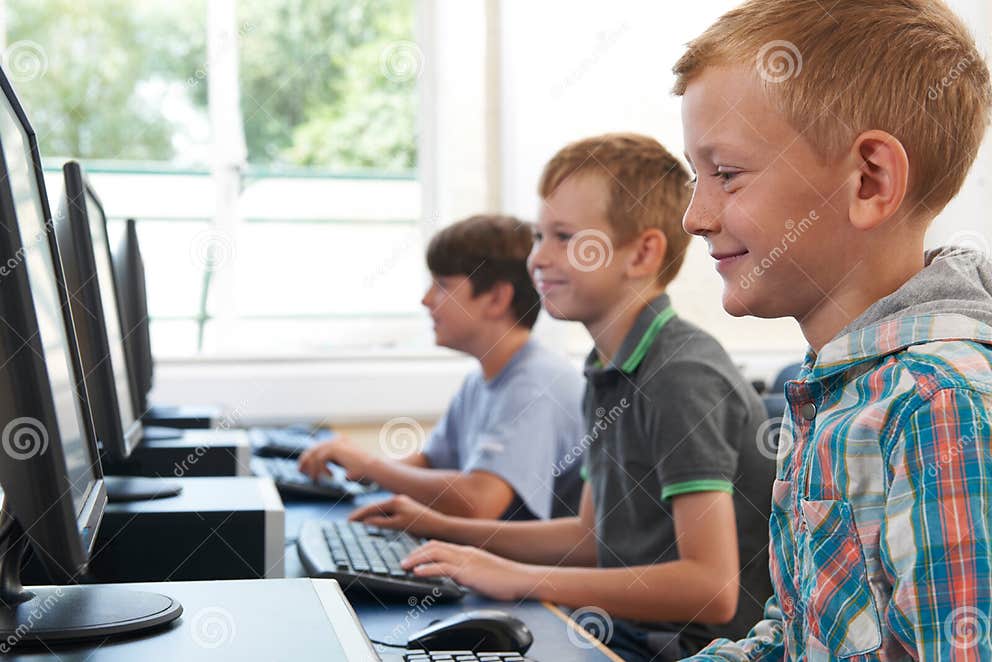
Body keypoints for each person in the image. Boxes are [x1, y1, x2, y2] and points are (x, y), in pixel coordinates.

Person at [352, 134, 775, 661]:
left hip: (682, 648)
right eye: (537, 236)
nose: (538, 259)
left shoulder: (679, 375)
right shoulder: (607, 367)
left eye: (565, 237)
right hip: (623, 629)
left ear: (642, 252)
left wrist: (521, 578)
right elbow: (589, 538)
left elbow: (710, 589)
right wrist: (443, 529)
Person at [674, 0, 992, 657]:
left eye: (726, 176)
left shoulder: (939, 407)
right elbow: (797, 635)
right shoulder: (833, 387)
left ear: (870, 180)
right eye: (694, 178)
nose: (695, 216)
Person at [298, 214, 585, 520]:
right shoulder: (482, 380)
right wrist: (360, 469)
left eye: (442, 285)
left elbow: (480, 502)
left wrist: (372, 466)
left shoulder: (536, 384)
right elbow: (431, 463)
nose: (426, 299)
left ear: (497, 298)